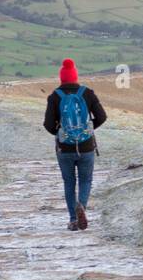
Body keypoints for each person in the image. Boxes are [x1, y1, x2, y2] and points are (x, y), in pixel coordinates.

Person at [43, 58, 107, 231]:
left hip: (64, 149)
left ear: (62, 78)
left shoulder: (55, 96)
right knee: (86, 180)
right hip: (86, 146)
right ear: (75, 76)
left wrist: (61, 134)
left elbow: (48, 125)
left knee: (69, 182)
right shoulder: (88, 93)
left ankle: (73, 219)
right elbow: (102, 117)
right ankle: (82, 207)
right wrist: (88, 129)